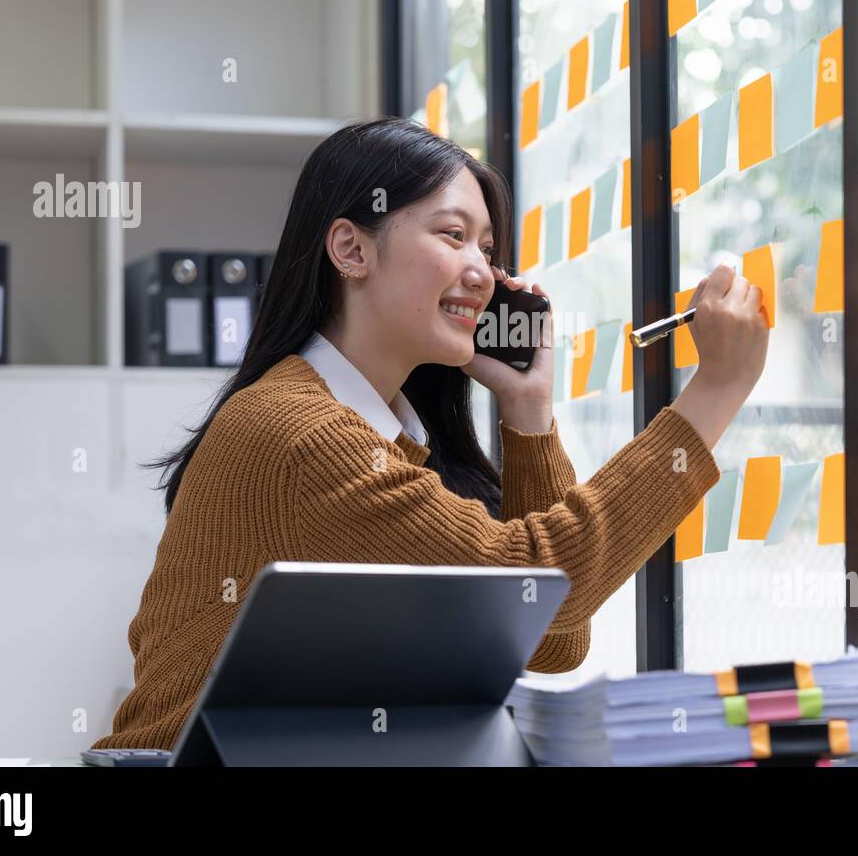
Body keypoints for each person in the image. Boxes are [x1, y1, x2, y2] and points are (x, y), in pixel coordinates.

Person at [92, 117, 769, 751]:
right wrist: (714, 392)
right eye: (452, 235)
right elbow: (538, 580)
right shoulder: (300, 432)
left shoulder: (383, 435)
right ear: (351, 250)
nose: (483, 271)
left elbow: (550, 640)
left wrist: (528, 411)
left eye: (488, 247)